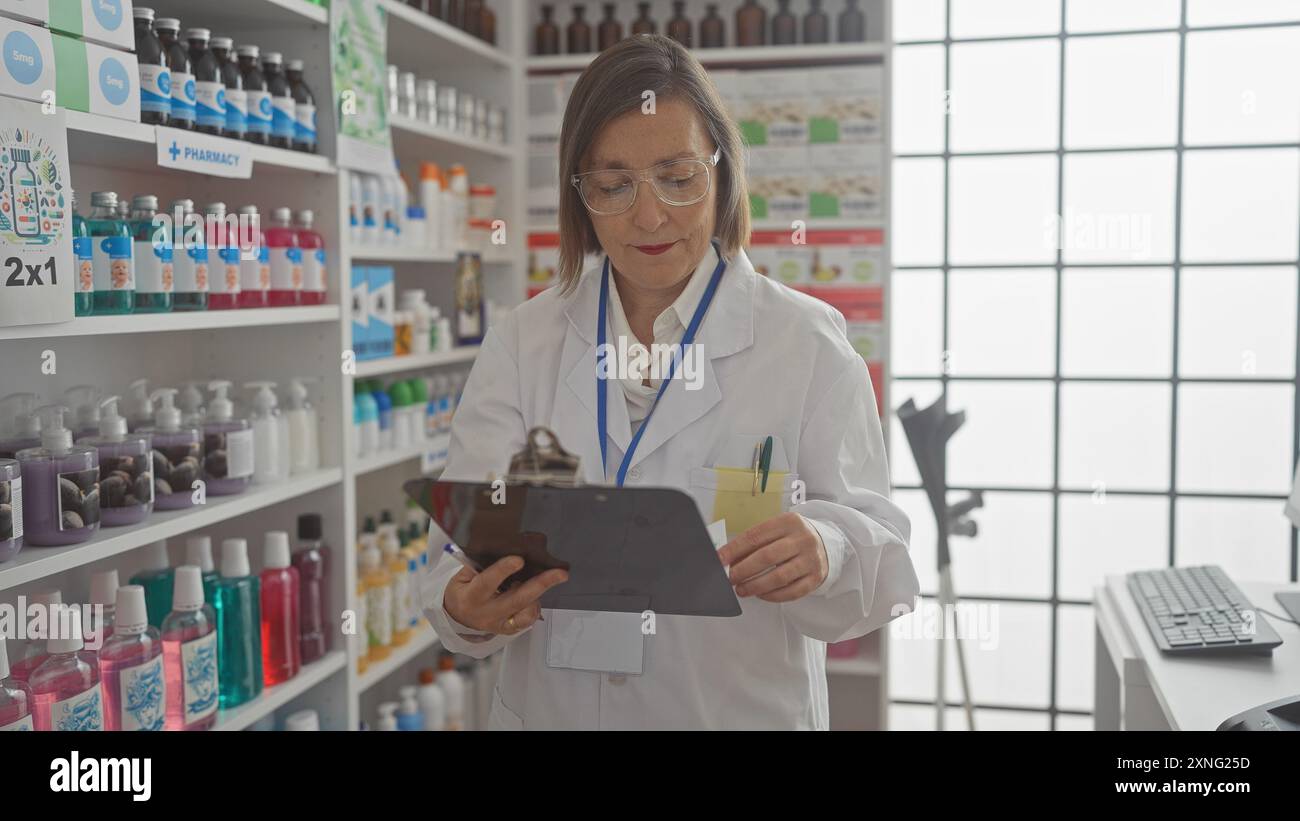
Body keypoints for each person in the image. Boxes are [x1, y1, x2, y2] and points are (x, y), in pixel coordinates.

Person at [422, 34, 919, 730]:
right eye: (613, 183)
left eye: (678, 176)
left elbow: (883, 553)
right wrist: (460, 604)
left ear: (723, 172)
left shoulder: (805, 343)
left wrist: (828, 548)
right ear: (579, 193)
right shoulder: (522, 342)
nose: (648, 215)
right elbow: (455, 548)